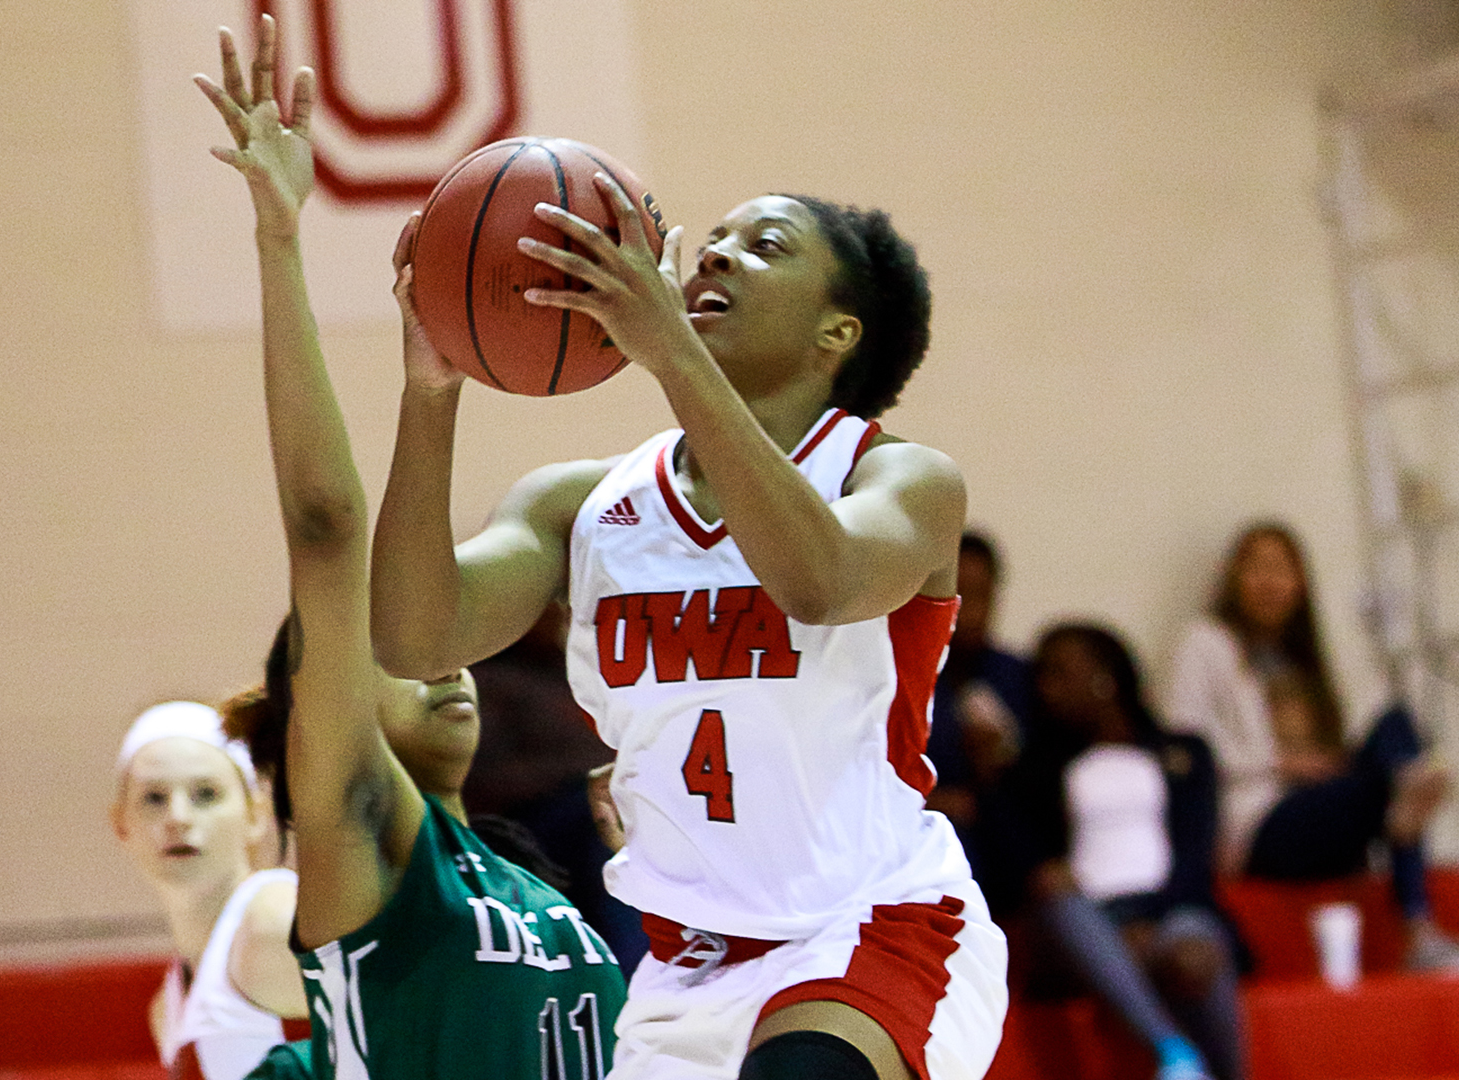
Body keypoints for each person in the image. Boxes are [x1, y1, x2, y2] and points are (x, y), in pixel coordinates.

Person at [362, 48, 1006, 1080]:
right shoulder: (581, 503)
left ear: (837, 331)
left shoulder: (901, 484)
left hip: (871, 927)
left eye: (766, 246)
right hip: (687, 971)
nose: (716, 257)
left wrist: (673, 357)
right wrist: (433, 388)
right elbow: (413, 637)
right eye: (711, 242)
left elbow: (821, 581)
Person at [194, 19, 626, 1078]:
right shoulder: (370, 847)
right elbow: (328, 535)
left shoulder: (526, 879)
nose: (440, 660)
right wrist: (279, 239)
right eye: (383, 658)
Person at [1163, 522, 1459, 975]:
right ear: (1232, 578)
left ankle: (1408, 792)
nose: (1269, 582)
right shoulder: (1203, 642)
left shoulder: (1309, 659)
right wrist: (1283, 764)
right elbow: (1181, 747)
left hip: (1320, 812)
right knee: (1394, 787)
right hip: (1258, 823)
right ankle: (1417, 925)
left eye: (1282, 570)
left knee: (1392, 723)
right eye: (1256, 568)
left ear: (1300, 584)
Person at [998, 623, 1242, 1080]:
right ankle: (1172, 1052)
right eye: (1041, 676)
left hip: (1169, 911)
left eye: (1060, 673)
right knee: (1060, 904)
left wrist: (1146, 920)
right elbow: (1024, 862)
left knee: (1196, 948)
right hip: (1087, 925)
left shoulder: (1184, 751)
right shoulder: (1032, 771)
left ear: (1104, 677)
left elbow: (1194, 855)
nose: (1045, 687)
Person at [111, 700, 306, 1080]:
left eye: (206, 794)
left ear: (256, 814)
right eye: (154, 798)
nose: (178, 818)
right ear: (120, 825)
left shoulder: (275, 924)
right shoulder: (166, 1007)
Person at [464, 603, 647, 972]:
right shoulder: (491, 682)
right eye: (545, 602)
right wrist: (574, 777)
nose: (560, 610)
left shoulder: (577, 672)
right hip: (534, 829)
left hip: (594, 805)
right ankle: (631, 971)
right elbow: (476, 779)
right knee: (601, 823)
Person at [925, 530, 1032, 867]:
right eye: (960, 596)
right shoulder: (899, 675)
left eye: (982, 596)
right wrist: (935, 802)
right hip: (925, 836)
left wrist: (1003, 760)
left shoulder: (1019, 676)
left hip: (1006, 846)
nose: (971, 613)